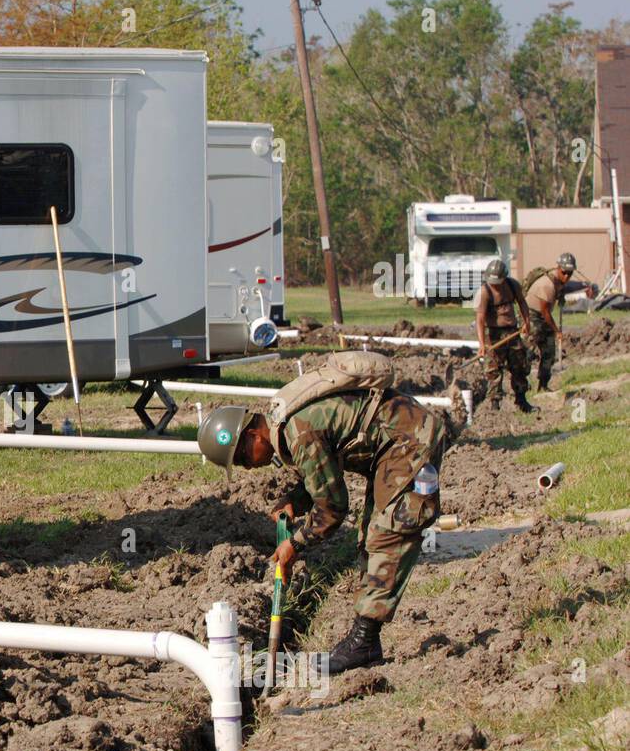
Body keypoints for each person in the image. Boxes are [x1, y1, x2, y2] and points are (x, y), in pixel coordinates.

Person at [197, 374, 448, 674]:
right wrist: (296, 499)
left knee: (390, 532)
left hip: (409, 439)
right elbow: (326, 467)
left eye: (241, 459)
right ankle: (365, 641)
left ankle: (364, 641)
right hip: (394, 441)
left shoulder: (299, 434)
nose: (247, 467)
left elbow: (332, 508)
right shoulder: (287, 425)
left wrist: (296, 544)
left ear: (254, 436)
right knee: (370, 534)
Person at [524, 253, 593, 391]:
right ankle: (521, 385)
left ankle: (543, 385)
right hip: (530, 315)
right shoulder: (547, 285)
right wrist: (557, 331)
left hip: (543, 316)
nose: (567, 276)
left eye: (570, 273)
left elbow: (569, 287)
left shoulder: (559, 281)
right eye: (564, 272)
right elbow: (545, 312)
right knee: (527, 352)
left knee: (549, 350)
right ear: (558, 268)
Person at [474, 258, 534, 412]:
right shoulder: (484, 293)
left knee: (519, 366)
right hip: (493, 334)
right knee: (493, 370)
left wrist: (527, 322)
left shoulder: (513, 286)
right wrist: (482, 344)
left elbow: (522, 303)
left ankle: (521, 401)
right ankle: (495, 404)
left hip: (512, 332)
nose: (495, 285)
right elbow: (480, 319)